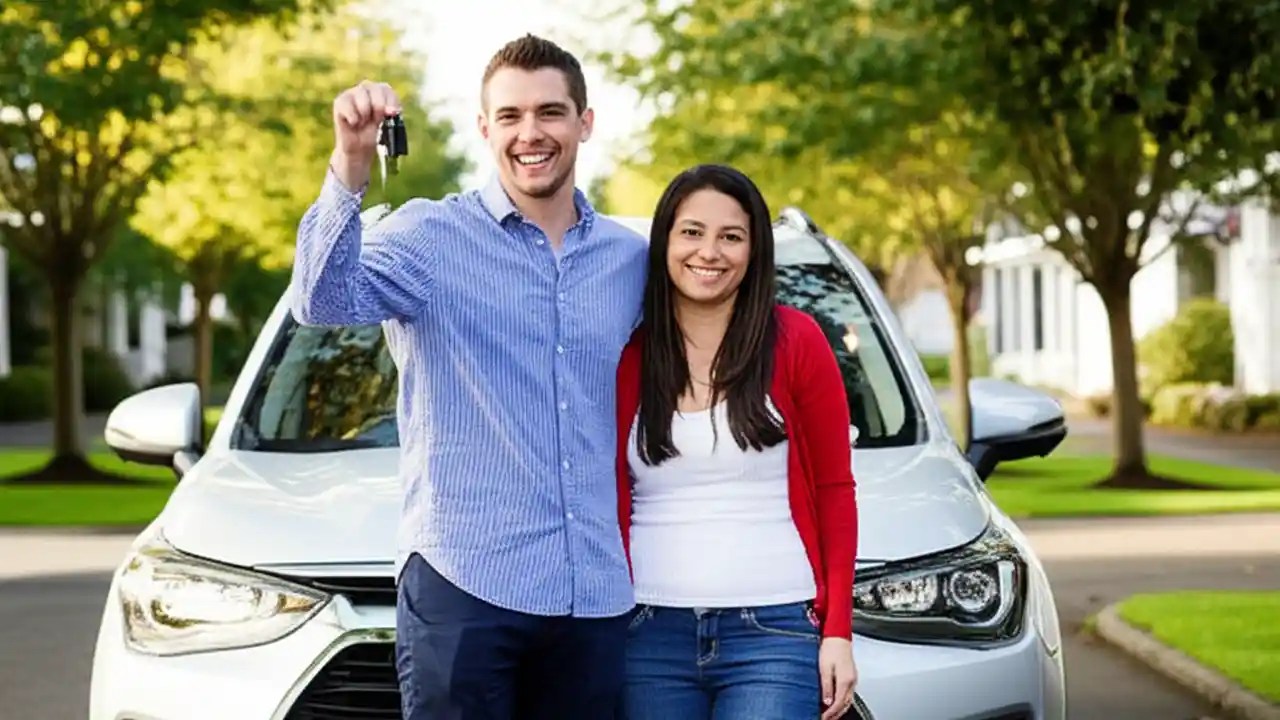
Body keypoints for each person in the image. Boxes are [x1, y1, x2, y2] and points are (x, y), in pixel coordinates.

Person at [288, 34, 648, 719]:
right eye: (510, 116)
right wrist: (352, 162)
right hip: (466, 585)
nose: (530, 133)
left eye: (550, 112)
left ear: (585, 123)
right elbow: (320, 300)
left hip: (594, 594)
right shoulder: (428, 238)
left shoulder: (629, 261)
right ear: (485, 130)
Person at [613, 164, 860, 719]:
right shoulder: (627, 355)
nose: (710, 252)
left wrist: (838, 631)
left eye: (731, 236)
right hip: (646, 632)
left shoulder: (797, 341)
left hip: (774, 630)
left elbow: (834, 489)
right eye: (692, 232)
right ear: (665, 241)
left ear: (753, 251)